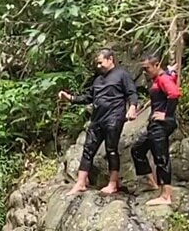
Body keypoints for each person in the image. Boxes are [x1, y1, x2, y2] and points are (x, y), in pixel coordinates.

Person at [59, 48, 139, 196]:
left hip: (114, 117)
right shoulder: (98, 79)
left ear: (110, 60)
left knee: (111, 149)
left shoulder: (122, 75)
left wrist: (132, 107)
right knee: (88, 148)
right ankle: (81, 182)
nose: (98, 66)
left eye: (101, 63)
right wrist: (70, 98)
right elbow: (88, 97)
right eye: (97, 64)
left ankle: (113, 183)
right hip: (97, 119)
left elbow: (131, 92)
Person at [131, 53, 182, 207]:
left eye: (147, 69)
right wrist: (171, 71)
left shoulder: (163, 79)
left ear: (156, 65)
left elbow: (174, 94)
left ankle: (166, 195)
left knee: (161, 157)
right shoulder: (162, 77)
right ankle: (152, 183)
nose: (145, 72)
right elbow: (171, 76)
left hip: (161, 124)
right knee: (138, 149)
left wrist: (167, 115)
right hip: (154, 125)